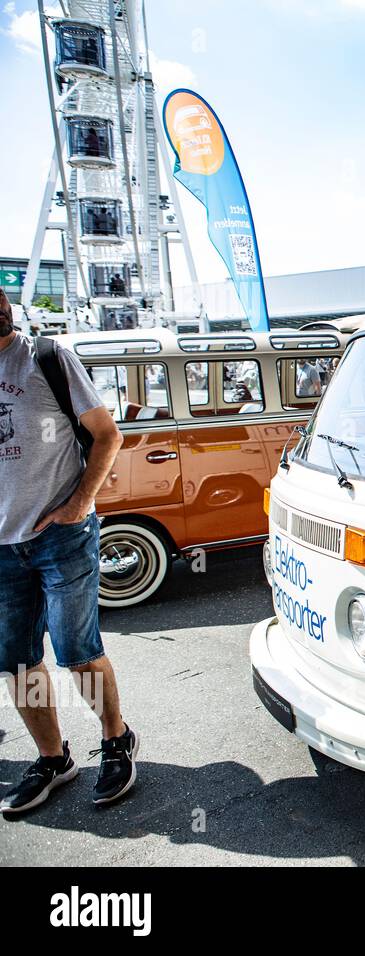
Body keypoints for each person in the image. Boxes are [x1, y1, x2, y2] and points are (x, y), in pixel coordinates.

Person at [0, 289, 140, 816]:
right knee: (18, 663)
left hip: (61, 535)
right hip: (1, 547)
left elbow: (107, 435)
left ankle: (116, 740)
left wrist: (81, 502)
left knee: (77, 650)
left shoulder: (47, 358)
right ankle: (53, 759)